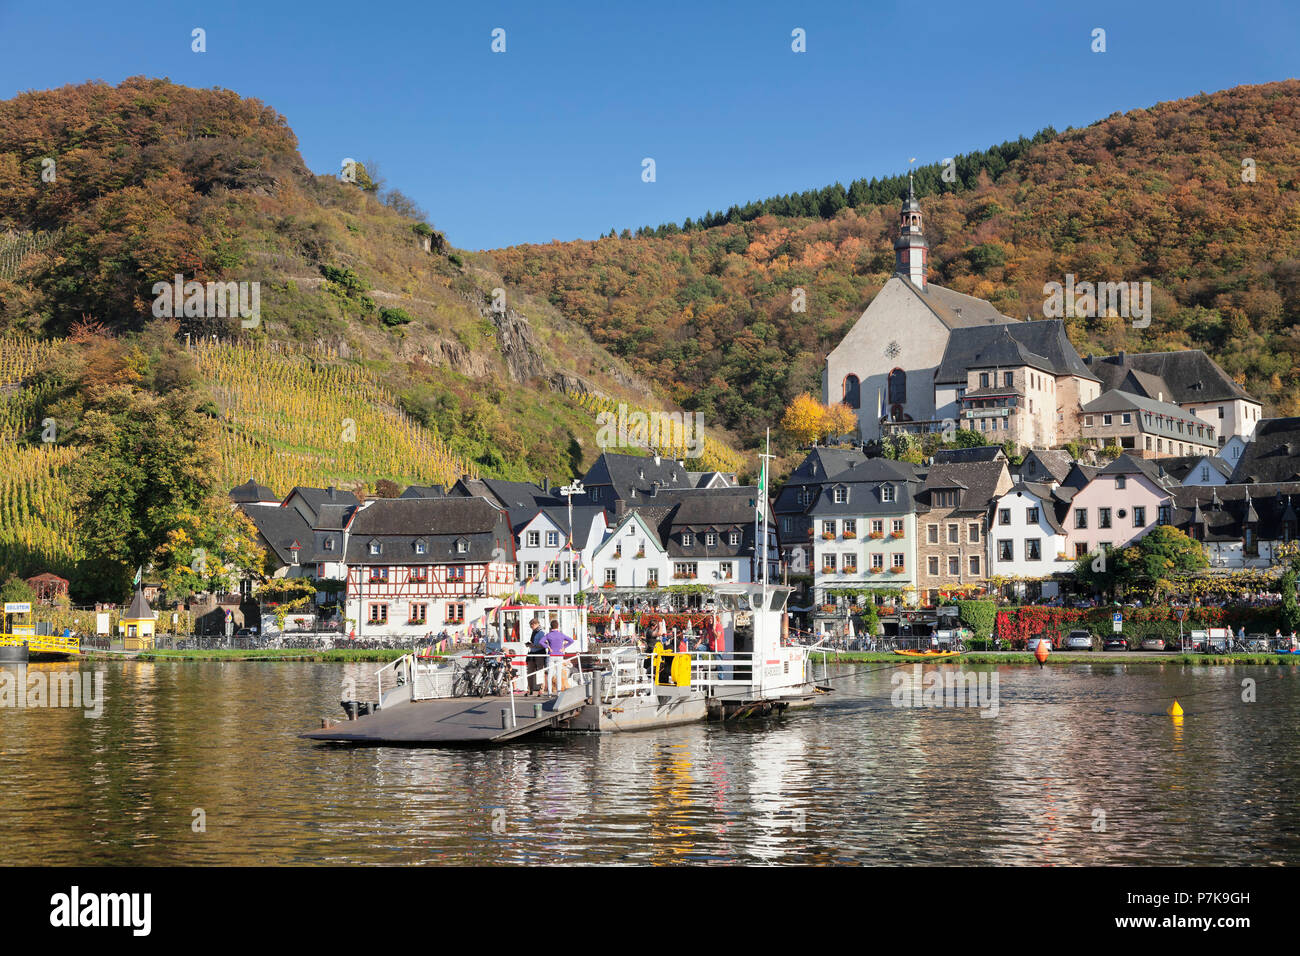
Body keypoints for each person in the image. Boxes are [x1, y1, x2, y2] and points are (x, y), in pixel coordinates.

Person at [538, 619, 575, 693]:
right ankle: (558, 692)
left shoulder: (549, 635)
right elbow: (571, 640)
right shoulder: (561, 634)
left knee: (550, 674)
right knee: (558, 673)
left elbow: (541, 642)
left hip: (551, 655)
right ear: (558, 626)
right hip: (559, 655)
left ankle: (549, 692)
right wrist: (564, 647)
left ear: (551, 627)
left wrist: (547, 647)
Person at [526, 617, 547, 695]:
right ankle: (529, 689)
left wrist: (534, 646)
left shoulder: (541, 632)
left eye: (532, 626)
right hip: (532, 653)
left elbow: (544, 644)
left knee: (540, 671)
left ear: (535, 624)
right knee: (529, 671)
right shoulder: (534, 632)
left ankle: (541, 689)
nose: (531, 628)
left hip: (539, 653)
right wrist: (530, 645)